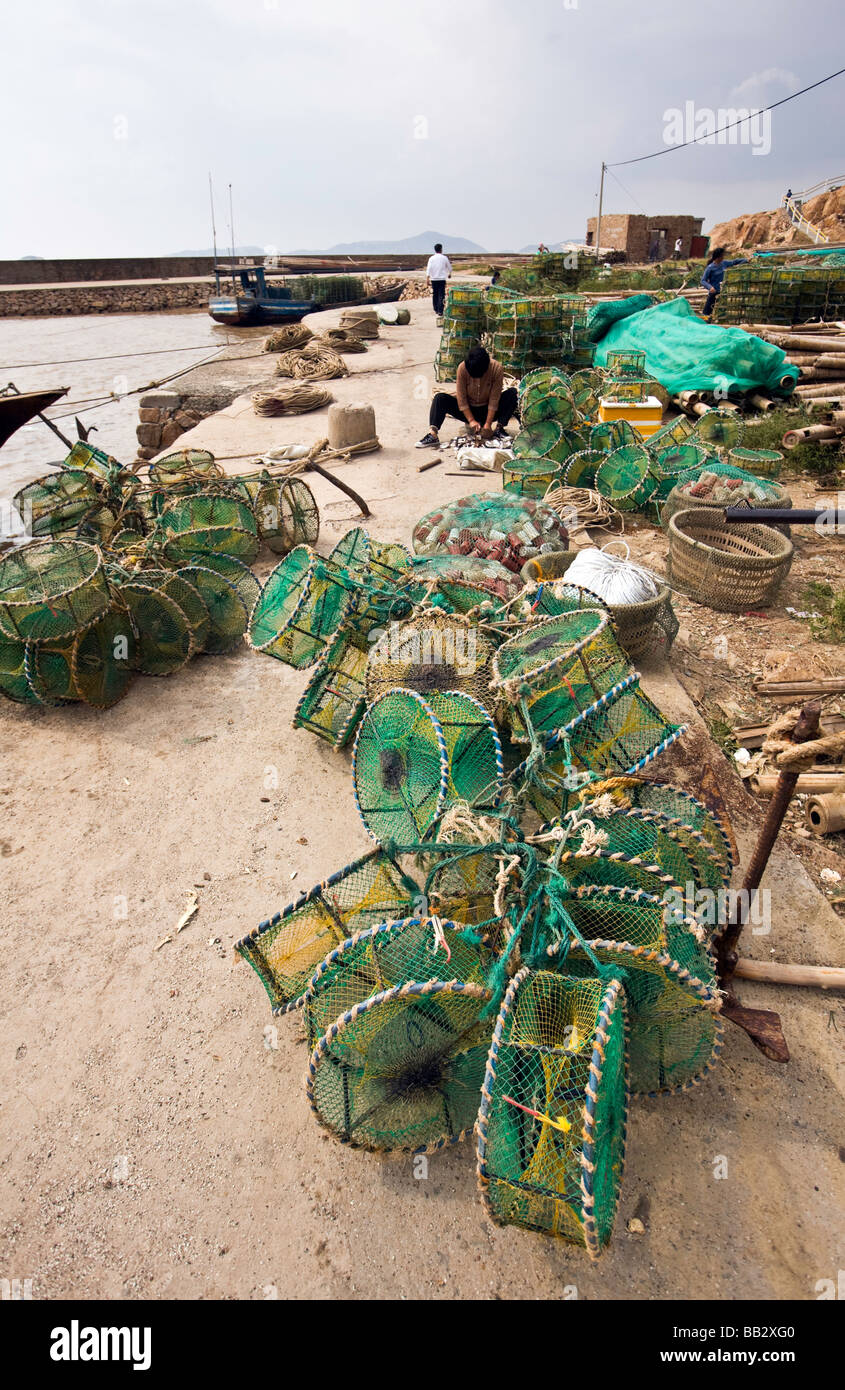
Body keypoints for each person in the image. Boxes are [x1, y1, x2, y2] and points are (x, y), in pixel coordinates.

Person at [417, 345, 518, 448]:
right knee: (439, 398)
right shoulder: (462, 368)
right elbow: (461, 398)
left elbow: (494, 399)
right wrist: (471, 420)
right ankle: (433, 434)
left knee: (513, 393)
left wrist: (488, 424)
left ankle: (499, 430)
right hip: (469, 409)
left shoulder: (496, 368)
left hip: (488, 409)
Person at [701, 246, 748, 318]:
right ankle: (705, 321)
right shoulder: (710, 268)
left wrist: (745, 261)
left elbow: (735, 262)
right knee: (707, 312)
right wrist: (710, 287)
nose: (723, 257)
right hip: (714, 292)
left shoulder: (724, 263)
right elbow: (703, 281)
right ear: (718, 257)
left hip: (723, 292)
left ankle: (719, 321)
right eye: (722, 256)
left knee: (722, 311)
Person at [426, 242, 452, 317]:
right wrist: (449, 274)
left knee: (435, 294)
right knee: (441, 294)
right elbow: (449, 267)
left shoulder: (431, 258)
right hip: (441, 279)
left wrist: (427, 278)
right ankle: (440, 310)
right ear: (441, 249)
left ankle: (436, 309)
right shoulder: (444, 258)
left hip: (434, 279)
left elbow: (428, 269)